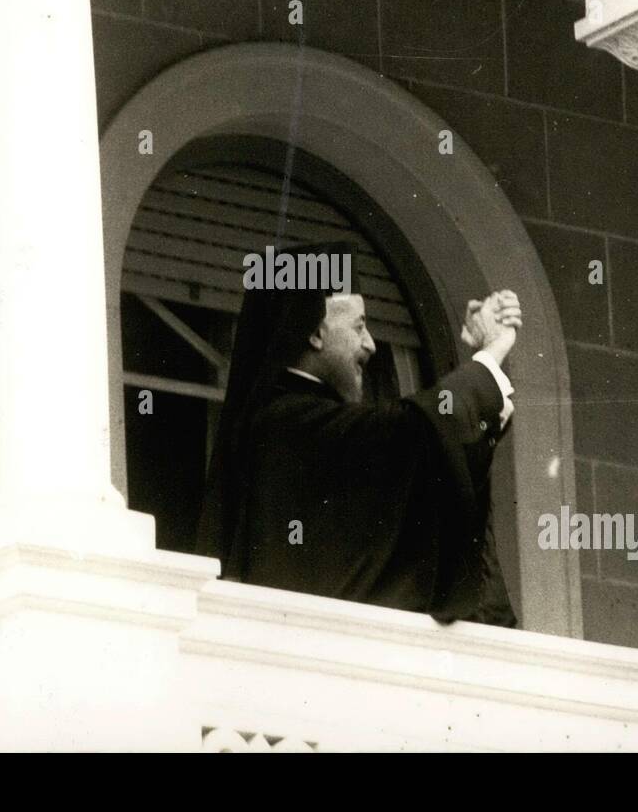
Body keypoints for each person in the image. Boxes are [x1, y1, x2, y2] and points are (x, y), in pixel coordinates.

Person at [196, 243, 522, 624]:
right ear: (316, 332)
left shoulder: (301, 421)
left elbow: (417, 445)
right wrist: (491, 354)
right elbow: (415, 433)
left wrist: (478, 377)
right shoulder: (284, 421)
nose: (370, 344)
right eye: (359, 326)